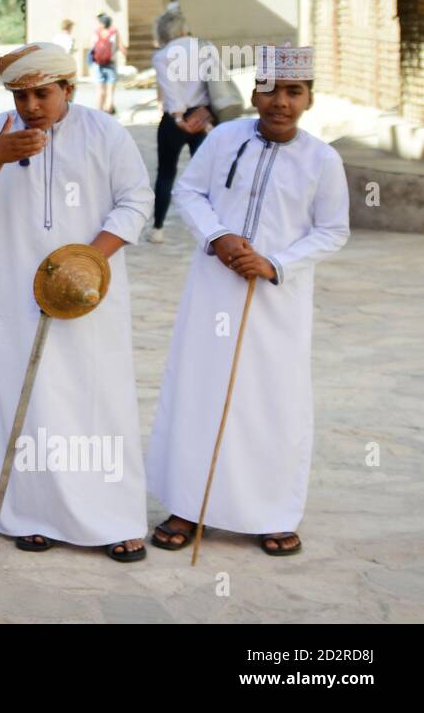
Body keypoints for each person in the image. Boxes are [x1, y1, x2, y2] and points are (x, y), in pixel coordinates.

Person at [0, 42, 153, 562]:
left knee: (98, 398)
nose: (31, 105)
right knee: (30, 395)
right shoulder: (1, 130)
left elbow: (137, 201)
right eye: (20, 95)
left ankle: (115, 519)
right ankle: (31, 514)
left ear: (69, 88)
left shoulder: (104, 131)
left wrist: (88, 260)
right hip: (18, 291)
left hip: (92, 291)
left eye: (42, 93)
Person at [146, 45, 349, 557]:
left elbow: (332, 231)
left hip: (278, 301)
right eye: (270, 89)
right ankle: (188, 506)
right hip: (214, 287)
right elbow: (191, 193)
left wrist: (275, 263)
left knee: (271, 400)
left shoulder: (323, 160)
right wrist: (217, 236)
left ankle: (271, 511)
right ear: (254, 93)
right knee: (201, 391)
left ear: (309, 98)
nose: (280, 101)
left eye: (293, 92)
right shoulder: (221, 139)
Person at [147, 2, 214, 244]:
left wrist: (178, 118)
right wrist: (207, 114)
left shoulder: (162, 55)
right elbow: (214, 84)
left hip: (175, 119)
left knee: (166, 173)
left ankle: (158, 228)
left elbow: (170, 90)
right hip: (202, 116)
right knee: (207, 174)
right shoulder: (205, 48)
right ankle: (211, 227)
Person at [90, 14, 125, 115]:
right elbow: (121, 47)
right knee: (110, 92)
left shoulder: (96, 32)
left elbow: (92, 47)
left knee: (100, 91)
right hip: (111, 63)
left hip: (98, 64)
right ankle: (108, 115)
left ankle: (98, 114)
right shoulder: (114, 32)